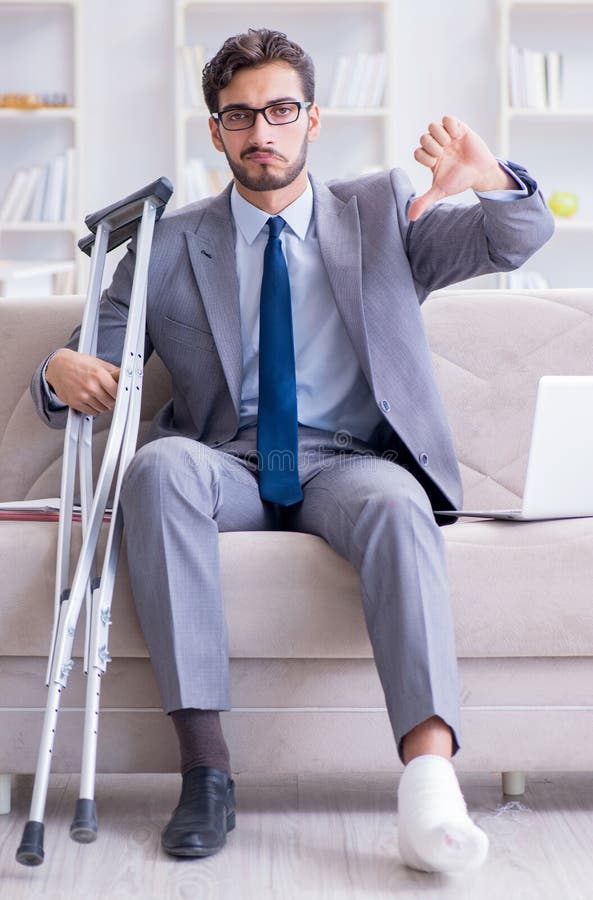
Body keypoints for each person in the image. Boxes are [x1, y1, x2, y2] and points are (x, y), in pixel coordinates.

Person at [31, 28, 554, 874]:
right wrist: (58, 371)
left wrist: (492, 183)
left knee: (396, 502)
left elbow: (512, 241)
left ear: (313, 118)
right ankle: (205, 773)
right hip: (225, 461)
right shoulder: (165, 242)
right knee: (156, 469)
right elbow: (89, 359)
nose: (261, 132)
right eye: (239, 116)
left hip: (350, 460)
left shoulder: (381, 212)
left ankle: (428, 782)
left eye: (279, 110)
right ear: (216, 131)